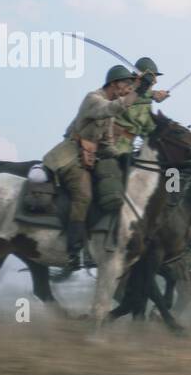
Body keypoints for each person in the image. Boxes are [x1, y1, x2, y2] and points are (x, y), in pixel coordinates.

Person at [41, 65, 140, 274]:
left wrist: (125, 158)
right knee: (84, 194)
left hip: (89, 159)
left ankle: (94, 244)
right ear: (114, 84)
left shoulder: (109, 111)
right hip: (69, 156)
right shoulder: (94, 99)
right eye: (126, 84)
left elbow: (107, 145)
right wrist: (141, 89)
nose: (128, 89)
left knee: (109, 192)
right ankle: (73, 250)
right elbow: (114, 108)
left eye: (132, 86)